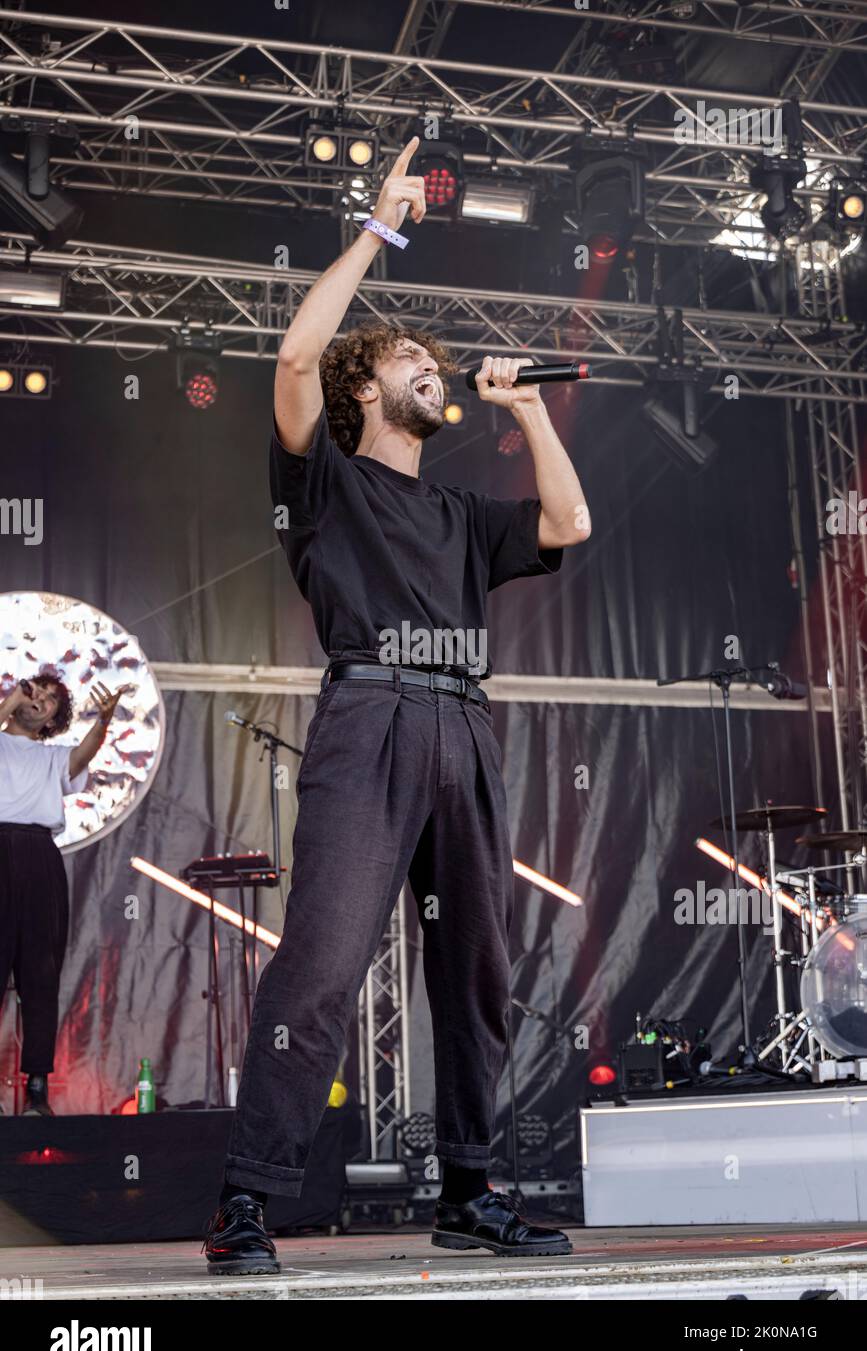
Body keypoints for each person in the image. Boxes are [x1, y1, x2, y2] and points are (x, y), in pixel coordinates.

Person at [204, 137, 591, 1274]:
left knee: (475, 968)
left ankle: (472, 1190)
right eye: (414, 359)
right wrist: (381, 228)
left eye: (436, 360)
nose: (437, 370)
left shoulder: (469, 514)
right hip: (370, 718)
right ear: (368, 387)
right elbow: (290, 359)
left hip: (462, 725)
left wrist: (526, 411)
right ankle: (247, 1200)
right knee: (321, 962)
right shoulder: (325, 481)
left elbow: (567, 524)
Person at [0, 672, 129, 1115]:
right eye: (40, 692)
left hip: (39, 854)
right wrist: (12, 696)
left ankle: (37, 1087)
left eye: (54, 701)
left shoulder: (53, 756)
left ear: (56, 719)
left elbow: (81, 757)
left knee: (41, 973)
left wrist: (104, 722)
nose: (43, 702)